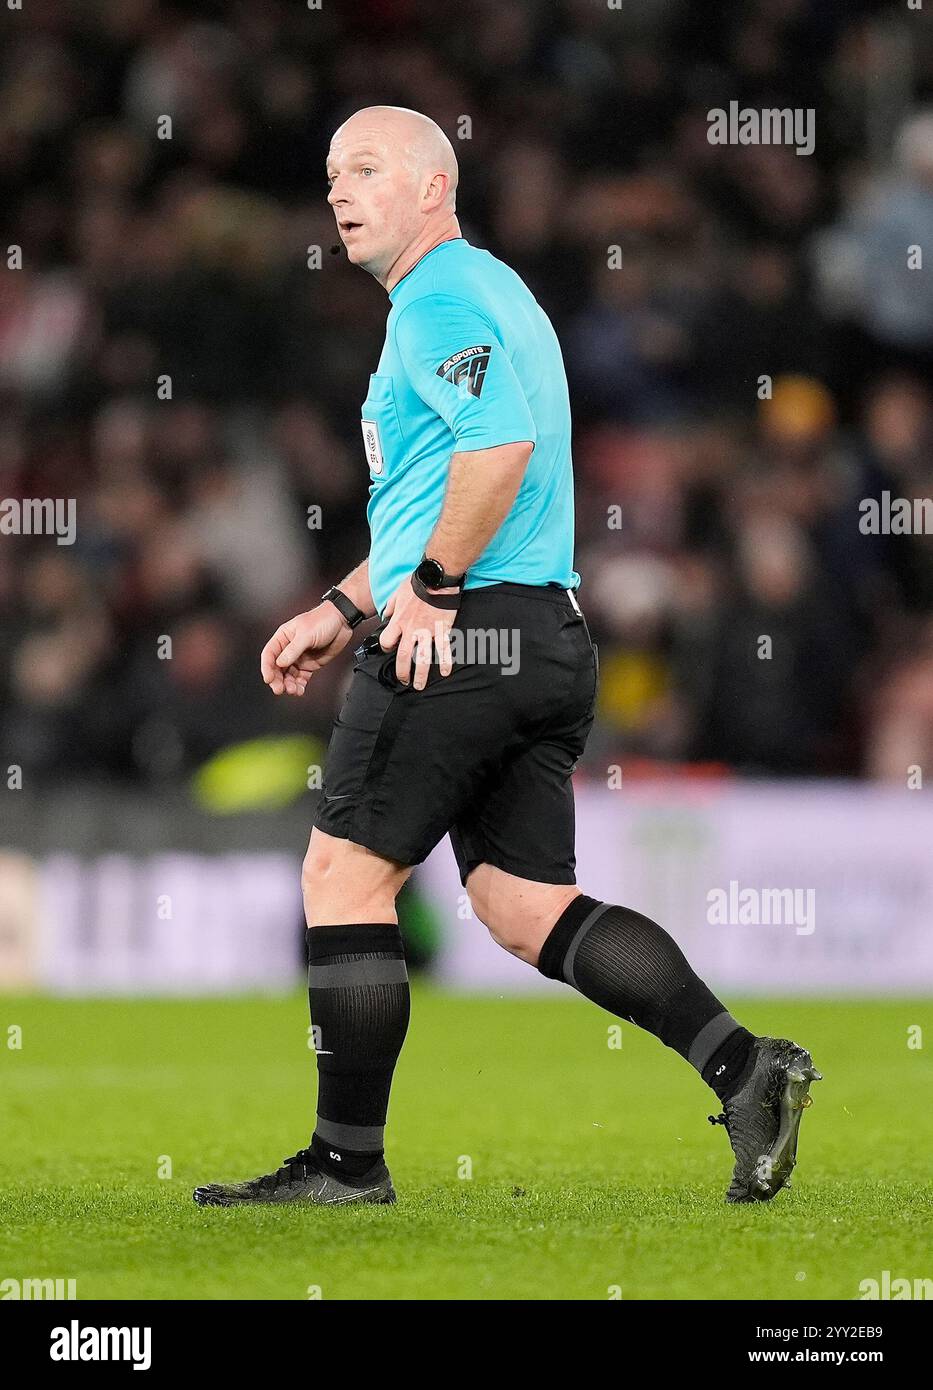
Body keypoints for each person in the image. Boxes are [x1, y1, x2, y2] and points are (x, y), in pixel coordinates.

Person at [194, 107, 819, 1210]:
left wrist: (432, 591)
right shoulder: (492, 290)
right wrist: (344, 605)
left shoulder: (436, 299)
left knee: (344, 879)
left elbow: (498, 447)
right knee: (526, 904)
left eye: (368, 169)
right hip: (543, 633)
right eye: (332, 172)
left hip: (464, 635)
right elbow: (443, 488)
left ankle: (345, 1165)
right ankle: (745, 1067)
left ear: (433, 187)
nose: (339, 191)